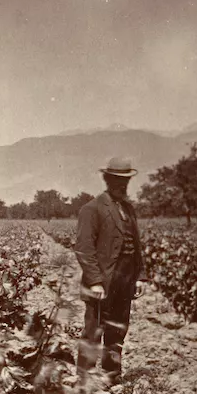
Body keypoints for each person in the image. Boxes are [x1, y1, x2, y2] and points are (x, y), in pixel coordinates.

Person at [74, 157, 144, 377]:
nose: (121, 185)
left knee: (118, 329)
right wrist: (94, 281)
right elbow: (84, 248)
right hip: (102, 282)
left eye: (125, 180)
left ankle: (111, 375)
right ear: (106, 179)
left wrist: (139, 277)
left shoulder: (128, 209)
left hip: (124, 281)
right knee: (93, 331)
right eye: (116, 179)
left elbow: (137, 246)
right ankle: (84, 379)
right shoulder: (92, 209)